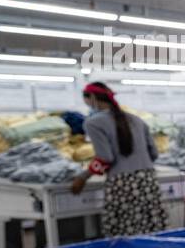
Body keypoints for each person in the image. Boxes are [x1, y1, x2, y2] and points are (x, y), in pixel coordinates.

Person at [70, 81, 167, 236]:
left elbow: (105, 158)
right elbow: (154, 154)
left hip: (122, 184)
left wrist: (83, 177)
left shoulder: (92, 123)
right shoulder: (137, 120)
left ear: (92, 97)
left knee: (125, 233)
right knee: (151, 230)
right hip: (148, 181)